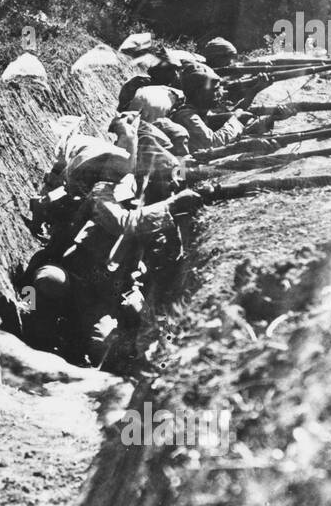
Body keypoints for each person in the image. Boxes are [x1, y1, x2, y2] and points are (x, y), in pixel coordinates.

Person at [20, 144, 202, 366]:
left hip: (101, 299)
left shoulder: (155, 213)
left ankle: (75, 346)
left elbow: (165, 264)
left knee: (104, 346)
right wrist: (170, 206)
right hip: (69, 275)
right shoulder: (105, 193)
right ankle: (27, 316)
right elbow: (122, 223)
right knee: (46, 284)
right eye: (165, 179)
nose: (170, 185)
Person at [169, 63, 292, 151]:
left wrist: (270, 118)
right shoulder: (186, 117)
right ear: (199, 93)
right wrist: (237, 119)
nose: (220, 94)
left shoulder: (202, 111)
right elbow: (212, 143)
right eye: (215, 90)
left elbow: (234, 118)